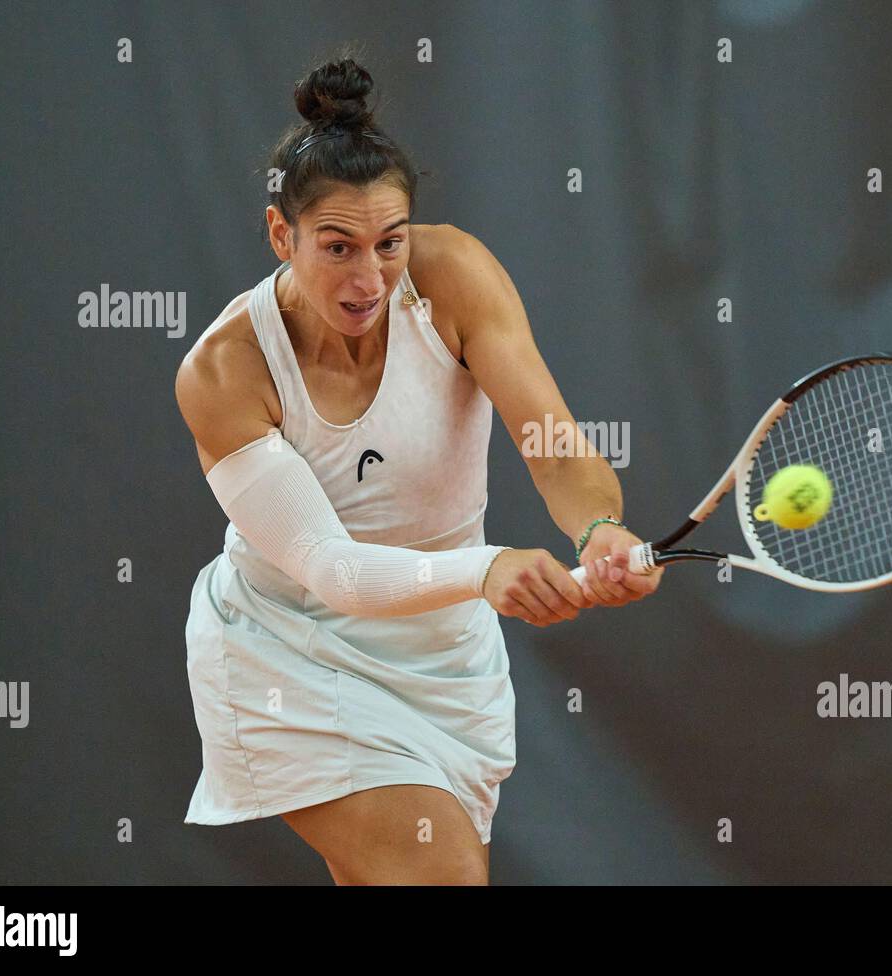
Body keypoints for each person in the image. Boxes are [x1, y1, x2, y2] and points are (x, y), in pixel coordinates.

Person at [175, 55, 662, 885]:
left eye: (389, 243)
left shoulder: (455, 277)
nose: (369, 279)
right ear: (279, 235)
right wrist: (489, 568)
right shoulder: (226, 371)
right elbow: (337, 572)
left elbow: (550, 443)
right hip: (292, 653)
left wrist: (598, 525)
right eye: (338, 247)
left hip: (447, 658)